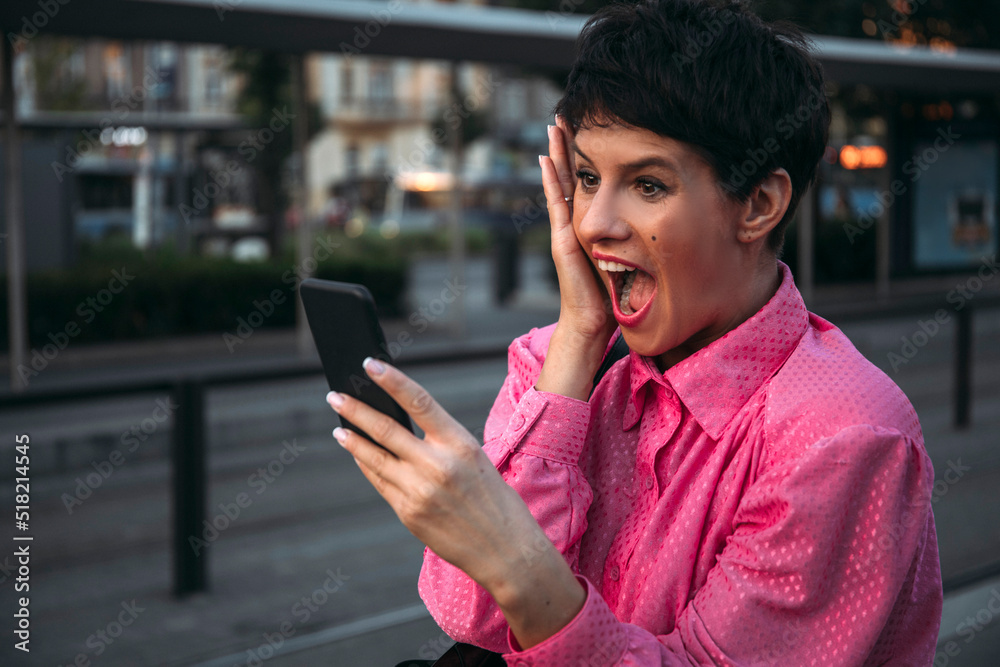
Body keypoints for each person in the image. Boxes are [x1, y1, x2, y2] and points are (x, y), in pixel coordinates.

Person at [325, 0, 943, 663]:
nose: (592, 223)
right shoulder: (559, 359)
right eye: (587, 177)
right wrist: (575, 342)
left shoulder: (840, 437)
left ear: (760, 204)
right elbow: (472, 615)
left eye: (648, 185)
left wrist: (519, 565)